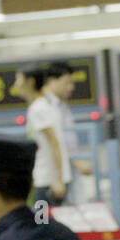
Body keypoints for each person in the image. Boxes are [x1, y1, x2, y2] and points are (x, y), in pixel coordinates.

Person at [17, 65, 71, 208]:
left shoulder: (39, 109)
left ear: (31, 82)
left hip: (48, 182)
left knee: (42, 223)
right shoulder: (41, 106)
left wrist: (58, 178)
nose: (16, 85)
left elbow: (54, 143)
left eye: (19, 80)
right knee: (44, 224)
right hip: (46, 180)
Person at [43, 61, 92, 200]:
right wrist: (74, 161)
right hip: (52, 177)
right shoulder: (44, 106)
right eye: (67, 83)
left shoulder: (62, 105)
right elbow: (52, 141)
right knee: (44, 217)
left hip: (67, 173)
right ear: (52, 81)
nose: (71, 87)